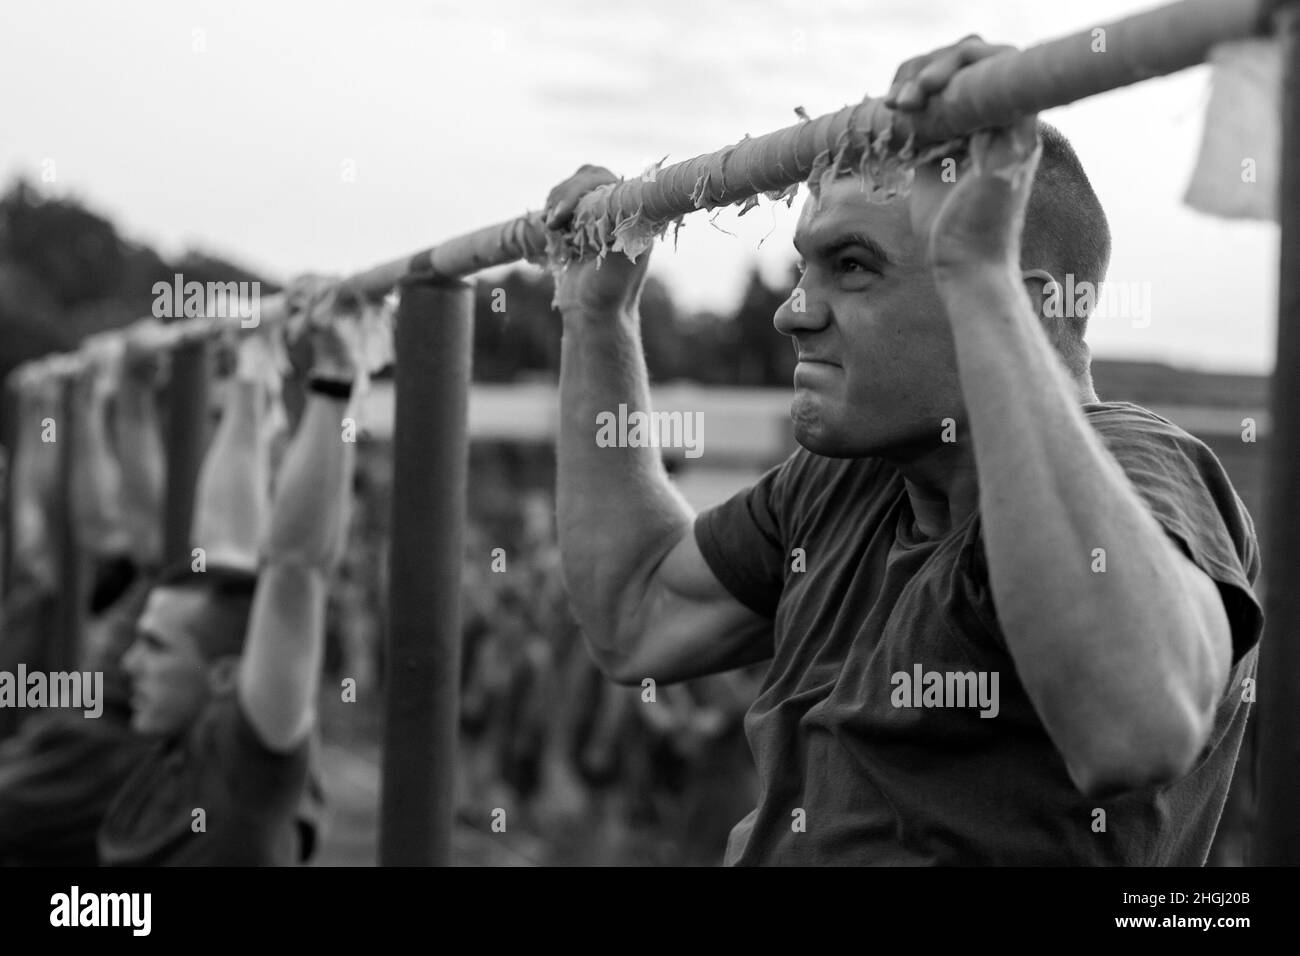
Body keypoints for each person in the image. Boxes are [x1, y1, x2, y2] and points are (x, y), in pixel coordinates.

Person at [542, 36, 1262, 865]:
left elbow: (1136, 728)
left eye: (852, 266)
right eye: (804, 267)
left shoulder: (1136, 465)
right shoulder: (848, 482)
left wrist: (976, 271)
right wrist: (596, 321)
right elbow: (637, 615)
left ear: (1014, 299)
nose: (793, 313)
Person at [97, 298, 357, 866]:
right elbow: (225, 544)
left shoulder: (250, 760)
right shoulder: (186, 740)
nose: (127, 665)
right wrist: (250, 371)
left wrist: (334, 375)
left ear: (225, 675)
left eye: (155, 648)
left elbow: (295, 572)